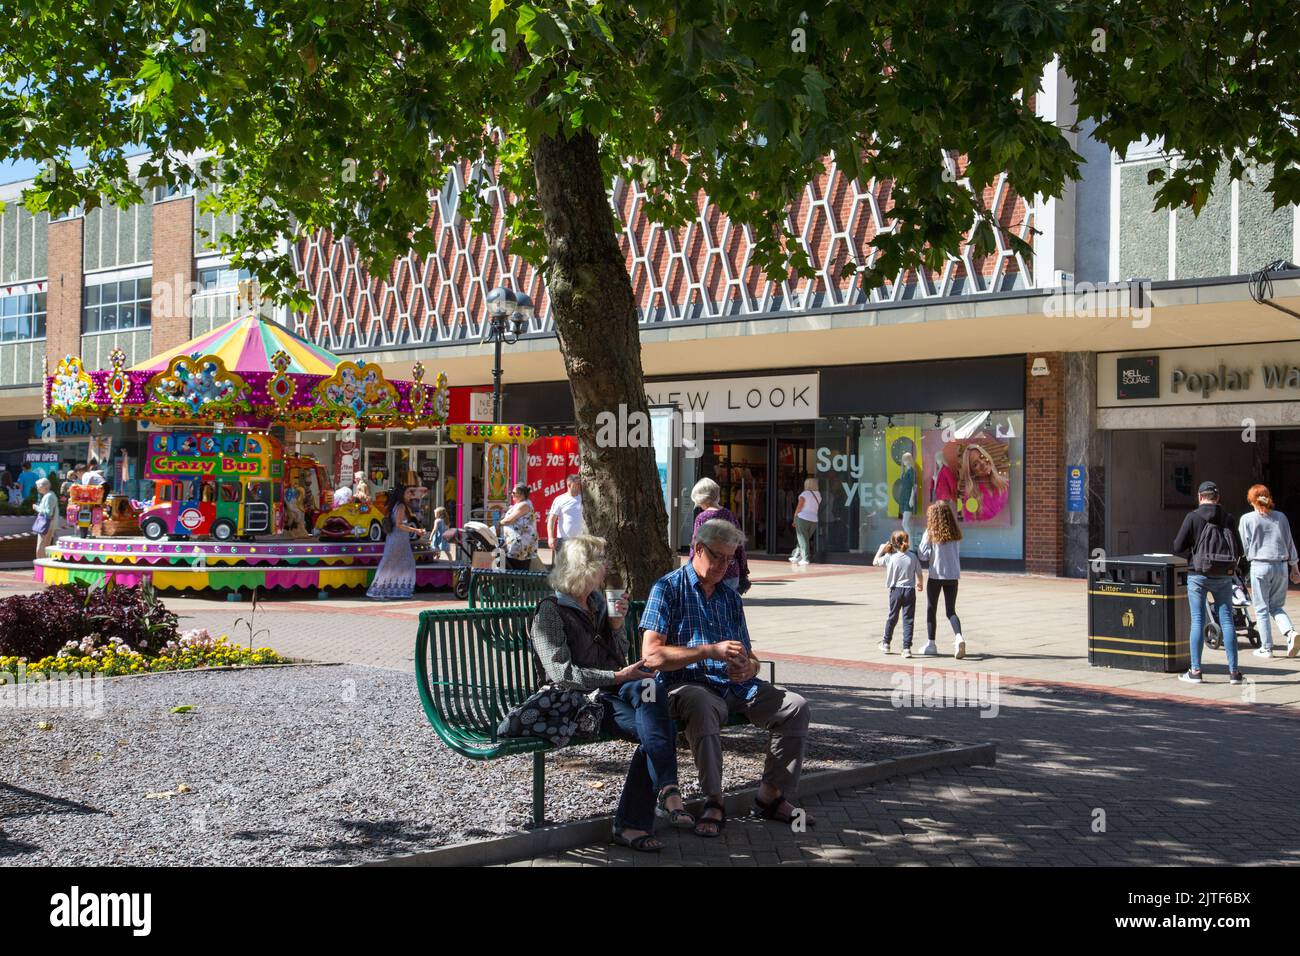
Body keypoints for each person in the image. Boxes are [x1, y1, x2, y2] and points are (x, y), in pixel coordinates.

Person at [642, 518, 814, 837]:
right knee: (702, 704)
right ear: (697, 549)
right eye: (718, 556)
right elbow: (651, 655)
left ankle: (770, 796)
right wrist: (708, 651)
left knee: (796, 706)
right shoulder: (667, 588)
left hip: (734, 686)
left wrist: (748, 667)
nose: (724, 566)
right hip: (687, 684)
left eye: (730, 559)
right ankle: (714, 800)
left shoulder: (729, 597)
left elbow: (749, 656)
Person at [530, 534, 692, 852]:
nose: (607, 568)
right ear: (584, 567)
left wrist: (617, 628)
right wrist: (618, 675)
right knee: (660, 729)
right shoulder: (550, 612)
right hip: (579, 702)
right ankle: (644, 812)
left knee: (649, 687)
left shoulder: (597, 604)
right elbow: (563, 675)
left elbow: (618, 658)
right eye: (602, 562)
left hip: (614, 691)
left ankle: (661, 795)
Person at [1172, 480, 1244, 685]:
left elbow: (1177, 546)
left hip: (1198, 574)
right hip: (1223, 575)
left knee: (1197, 620)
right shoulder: (1228, 518)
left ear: (1200, 496)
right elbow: (1238, 548)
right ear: (1218, 498)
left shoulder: (1193, 517)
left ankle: (1195, 671)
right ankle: (1234, 673)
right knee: (1227, 620)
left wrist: (1193, 552)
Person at [1239, 483, 1300, 659]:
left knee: (1261, 608)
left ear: (1251, 500)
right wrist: (1294, 567)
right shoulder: (1281, 517)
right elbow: (1290, 543)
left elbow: (1245, 545)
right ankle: (1290, 633)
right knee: (1276, 606)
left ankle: (1266, 647)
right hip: (1281, 565)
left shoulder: (1247, 519)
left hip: (1260, 565)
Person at [918, 501, 966, 659]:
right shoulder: (955, 533)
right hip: (953, 575)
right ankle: (959, 637)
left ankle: (931, 644)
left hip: (936, 575)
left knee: (931, 609)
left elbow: (922, 555)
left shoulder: (930, 532)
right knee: (951, 610)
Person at [691, 477, 750, 594]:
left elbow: (696, 546)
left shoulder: (702, 518)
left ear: (700, 498)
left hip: (710, 570)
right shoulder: (729, 514)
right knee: (730, 607)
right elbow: (739, 546)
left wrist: (691, 568)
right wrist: (743, 571)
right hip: (732, 571)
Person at [932, 440, 1010, 523]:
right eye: (975, 464)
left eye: (982, 457)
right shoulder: (969, 497)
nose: (982, 463)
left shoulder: (1006, 484)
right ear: (971, 471)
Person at [366, 483, 421, 600]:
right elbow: (399, 524)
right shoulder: (401, 506)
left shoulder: (396, 505)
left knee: (393, 564)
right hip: (398, 540)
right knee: (400, 564)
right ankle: (381, 591)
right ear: (402, 494)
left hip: (395, 539)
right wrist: (416, 530)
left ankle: (391, 590)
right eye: (408, 492)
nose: (410, 495)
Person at [874, 530, 924, 657]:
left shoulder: (890, 557)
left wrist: (881, 549)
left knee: (892, 616)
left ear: (893, 543)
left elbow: (875, 562)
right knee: (908, 619)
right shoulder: (912, 556)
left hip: (895, 590)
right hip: (909, 591)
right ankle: (906, 648)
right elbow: (919, 572)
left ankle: (886, 643)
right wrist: (920, 583)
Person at [499, 483, 539, 570]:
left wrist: (500, 522)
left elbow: (510, 520)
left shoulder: (524, 505)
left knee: (519, 568)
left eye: (514, 492)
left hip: (521, 545)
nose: (511, 494)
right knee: (515, 567)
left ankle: (519, 583)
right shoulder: (520, 504)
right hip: (516, 544)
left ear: (521, 494)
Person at [547, 474, 583, 558]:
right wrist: (550, 537)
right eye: (577, 484)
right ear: (569, 485)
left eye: (579, 484)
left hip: (581, 541)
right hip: (563, 540)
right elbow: (551, 520)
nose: (579, 486)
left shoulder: (584, 498)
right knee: (562, 568)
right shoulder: (560, 499)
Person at [790, 478, 821, 565]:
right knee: (804, 539)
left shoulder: (805, 494)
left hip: (803, 518)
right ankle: (797, 556)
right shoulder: (818, 494)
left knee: (802, 539)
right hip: (814, 520)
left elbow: (799, 507)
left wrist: (794, 517)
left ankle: (805, 558)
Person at [33, 477, 59, 559]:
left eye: (38, 486)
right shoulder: (50, 495)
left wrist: (36, 508)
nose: (37, 488)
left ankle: (39, 567)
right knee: (46, 546)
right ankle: (44, 567)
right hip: (49, 525)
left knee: (40, 547)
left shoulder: (48, 496)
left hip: (45, 525)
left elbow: (48, 513)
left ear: (44, 487)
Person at [897, 451, 919, 538]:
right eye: (903, 460)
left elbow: (915, 486)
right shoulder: (906, 471)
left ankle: (911, 544)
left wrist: (911, 498)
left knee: (904, 523)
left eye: (906, 460)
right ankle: (909, 544)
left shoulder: (911, 471)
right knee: (905, 523)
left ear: (909, 460)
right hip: (904, 498)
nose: (904, 462)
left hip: (908, 499)